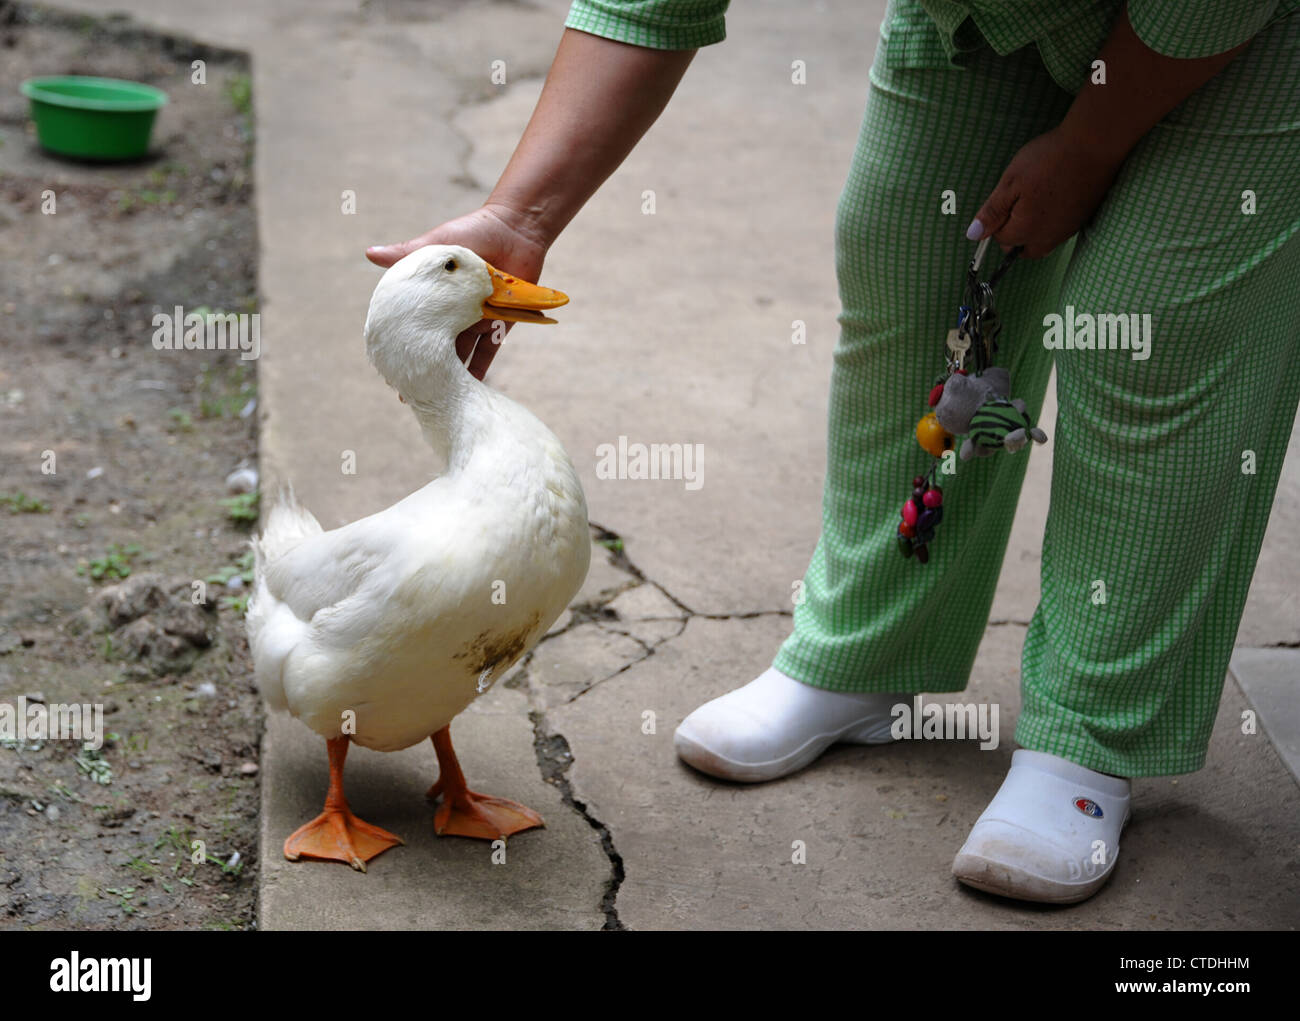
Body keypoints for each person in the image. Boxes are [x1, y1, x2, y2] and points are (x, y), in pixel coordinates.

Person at [367, 0, 1300, 905]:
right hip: (979, 14)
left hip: (1232, 23)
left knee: (1147, 336)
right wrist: (522, 217)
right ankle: (872, 650)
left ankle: (1086, 739)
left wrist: (1090, 145)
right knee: (909, 261)